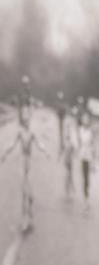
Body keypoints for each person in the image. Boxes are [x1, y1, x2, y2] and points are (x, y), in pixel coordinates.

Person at [0, 99, 50, 231]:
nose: (26, 117)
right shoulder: (20, 131)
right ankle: (24, 220)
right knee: (24, 191)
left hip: (30, 162)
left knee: (29, 191)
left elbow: (39, 144)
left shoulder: (32, 132)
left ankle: (30, 212)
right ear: (22, 117)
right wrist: (4, 153)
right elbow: (12, 144)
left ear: (30, 117)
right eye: (24, 115)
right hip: (22, 162)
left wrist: (45, 152)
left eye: (28, 114)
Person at [77, 110, 95, 207]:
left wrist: (93, 161)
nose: (85, 121)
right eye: (84, 119)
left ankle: (86, 196)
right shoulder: (79, 130)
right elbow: (78, 142)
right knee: (84, 176)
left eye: (87, 119)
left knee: (87, 178)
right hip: (82, 154)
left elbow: (92, 145)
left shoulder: (90, 131)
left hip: (88, 155)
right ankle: (85, 196)